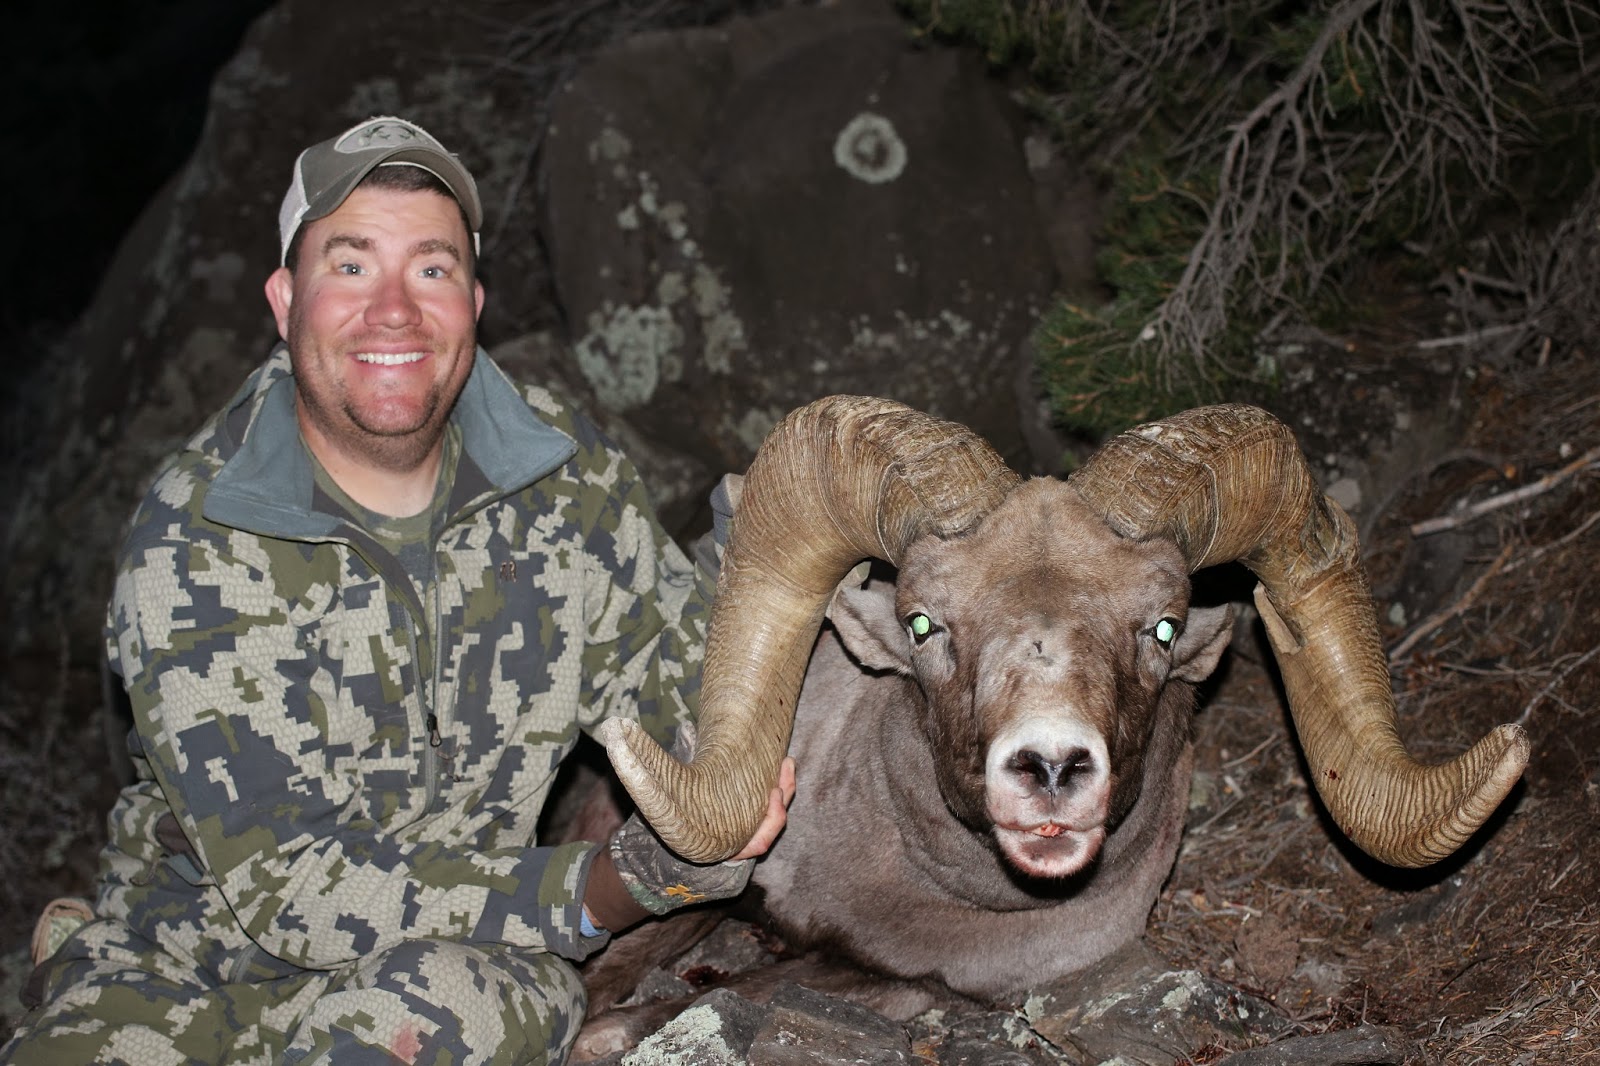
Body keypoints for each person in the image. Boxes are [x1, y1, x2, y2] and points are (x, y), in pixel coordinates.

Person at [1, 115, 793, 1066]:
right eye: (350, 266)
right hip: (190, 958)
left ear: (474, 301)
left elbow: (679, 683)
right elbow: (289, 883)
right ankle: (79, 970)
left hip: (462, 958)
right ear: (284, 299)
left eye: (431, 268)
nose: (394, 311)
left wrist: (759, 609)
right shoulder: (198, 534)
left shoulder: (561, 476)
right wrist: (602, 890)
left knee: (421, 1021)